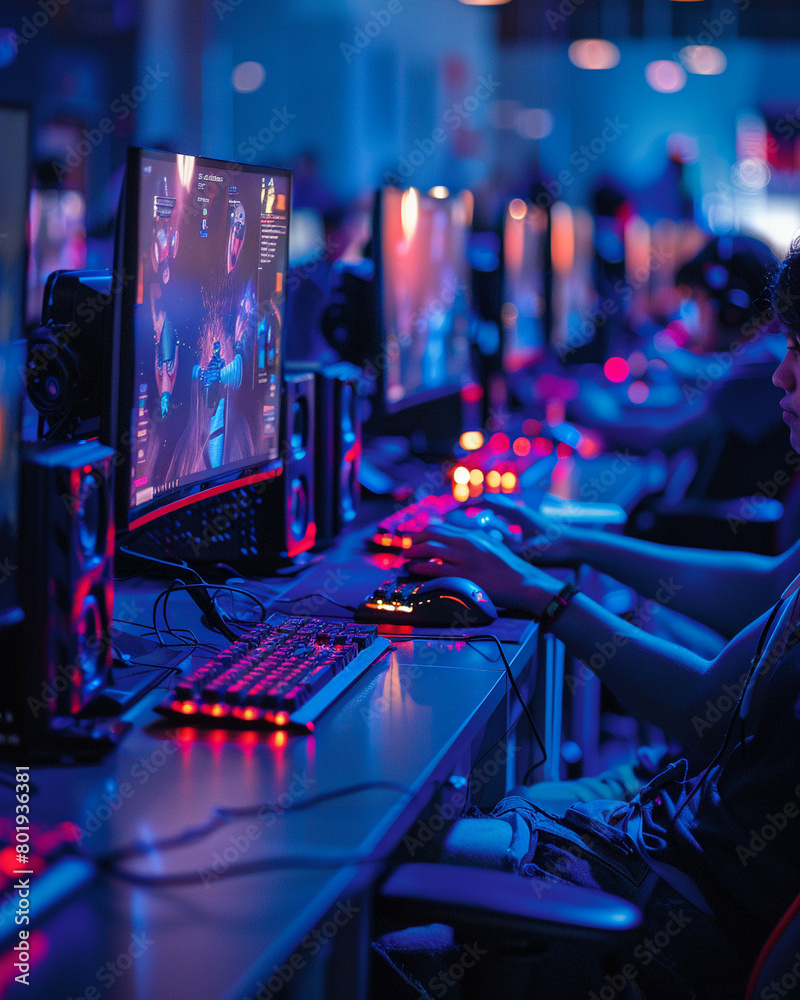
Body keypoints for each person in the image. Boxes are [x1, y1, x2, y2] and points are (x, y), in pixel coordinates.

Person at [399, 241, 800, 996]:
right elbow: (761, 597)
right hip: (675, 826)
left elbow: (701, 712)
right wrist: (577, 542)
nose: (781, 370)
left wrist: (539, 595)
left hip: (676, 904)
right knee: (449, 812)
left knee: (361, 867)